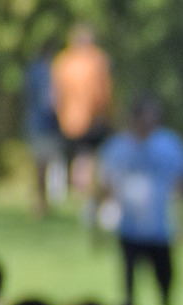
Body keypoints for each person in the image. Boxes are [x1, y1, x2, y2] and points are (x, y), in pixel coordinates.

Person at [97, 98, 183, 305]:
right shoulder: (118, 148)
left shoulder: (169, 145)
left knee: (165, 280)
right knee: (130, 284)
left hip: (160, 228)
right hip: (130, 227)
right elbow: (104, 184)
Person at [51, 25, 114, 206]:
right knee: (87, 155)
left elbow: (56, 93)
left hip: (67, 118)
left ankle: (69, 190)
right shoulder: (97, 61)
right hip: (90, 117)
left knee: (74, 154)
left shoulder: (63, 61)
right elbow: (102, 93)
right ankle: (82, 191)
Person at [24, 44, 66, 217]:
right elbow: (48, 102)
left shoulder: (32, 71)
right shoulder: (47, 73)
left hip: (34, 124)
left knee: (40, 165)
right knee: (44, 166)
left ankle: (41, 202)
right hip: (46, 125)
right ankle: (41, 204)